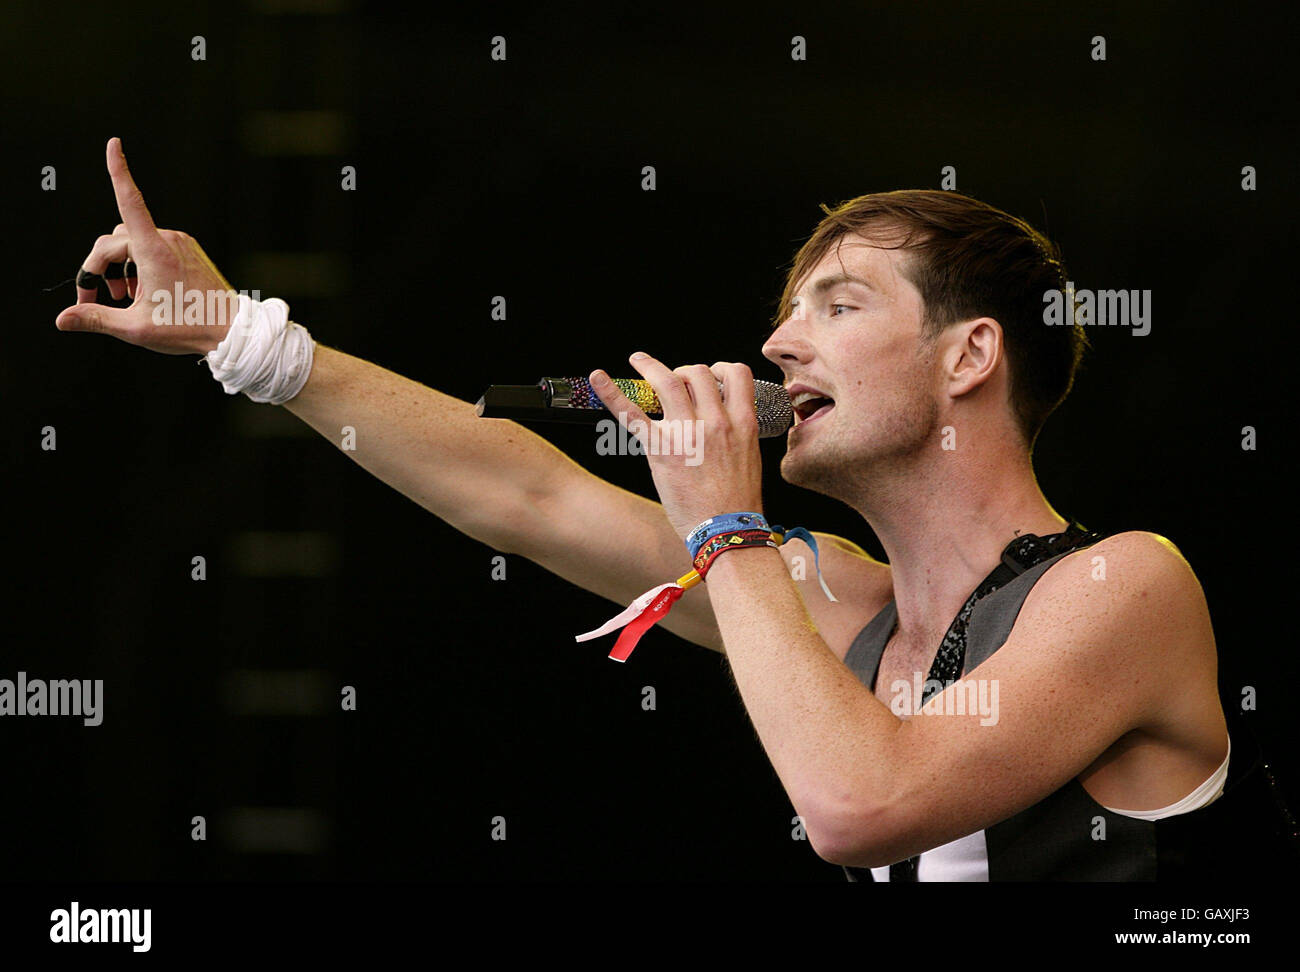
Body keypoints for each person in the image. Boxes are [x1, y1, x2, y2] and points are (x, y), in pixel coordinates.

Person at [56, 137, 1267, 881]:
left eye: (838, 306)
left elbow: (860, 807)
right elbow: (528, 494)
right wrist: (247, 341)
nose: (778, 342)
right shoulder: (842, 601)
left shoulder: (1126, 586)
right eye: (788, 311)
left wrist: (724, 528)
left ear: (971, 359)